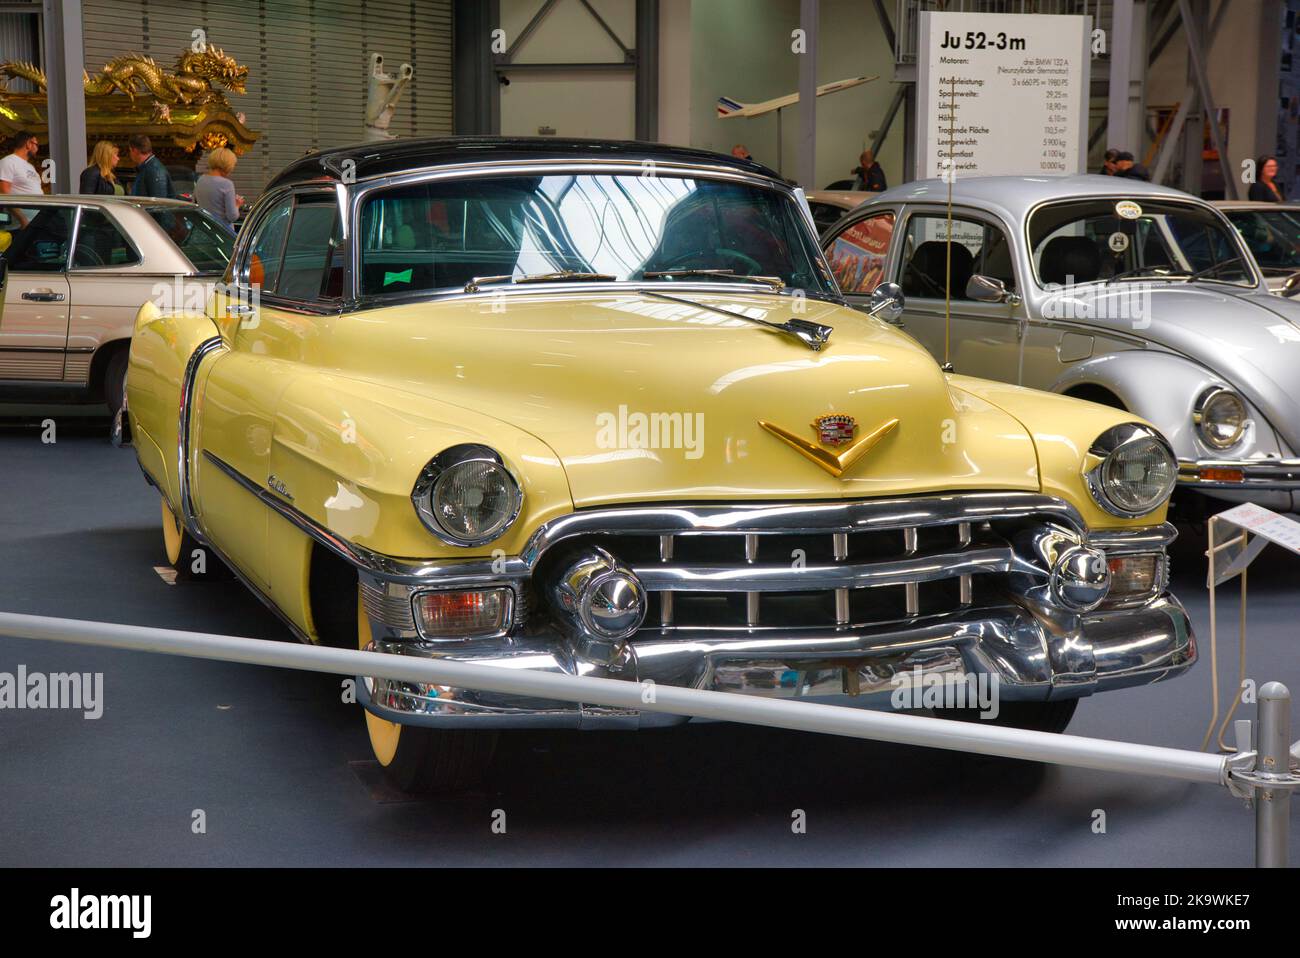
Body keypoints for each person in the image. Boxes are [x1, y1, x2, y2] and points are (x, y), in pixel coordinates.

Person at [0, 130, 45, 226]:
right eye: (36, 144)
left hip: (36, 223)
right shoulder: (8, 162)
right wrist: (22, 220)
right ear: (28, 144)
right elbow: (4, 194)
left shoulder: (30, 166)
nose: (37, 148)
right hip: (20, 226)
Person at [195, 147, 244, 227]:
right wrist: (237, 204)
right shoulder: (227, 184)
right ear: (227, 165)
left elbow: (195, 203)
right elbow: (232, 216)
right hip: (222, 231)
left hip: (204, 228)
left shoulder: (201, 180)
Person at [128, 134, 175, 198]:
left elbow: (158, 202)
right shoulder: (147, 167)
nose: (130, 154)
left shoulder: (154, 170)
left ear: (135, 151)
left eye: (130, 150)